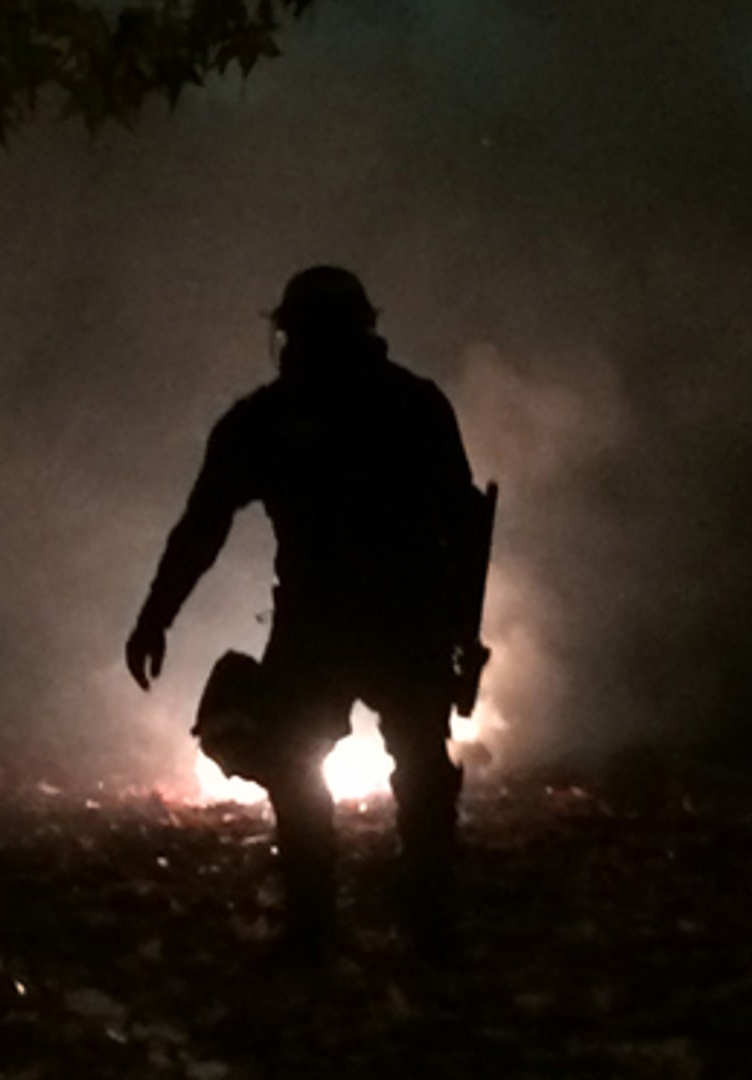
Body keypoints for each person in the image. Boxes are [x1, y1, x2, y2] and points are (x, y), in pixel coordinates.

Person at [126, 266, 482, 962]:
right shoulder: (413, 405)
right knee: (412, 769)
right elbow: (462, 526)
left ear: (289, 335)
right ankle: (423, 928)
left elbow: (201, 529)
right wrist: (458, 628)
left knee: (306, 766)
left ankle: (323, 930)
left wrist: (155, 617)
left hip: (331, 622)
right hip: (399, 619)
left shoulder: (269, 420)